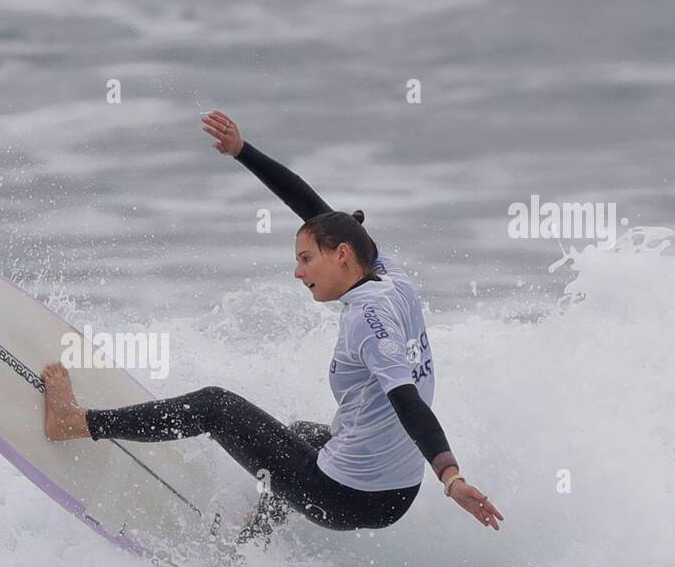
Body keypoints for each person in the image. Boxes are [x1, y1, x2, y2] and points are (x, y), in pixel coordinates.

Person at [39, 110, 503, 536]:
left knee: (214, 406)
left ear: (342, 255)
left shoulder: (368, 317)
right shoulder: (386, 274)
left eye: (305, 259)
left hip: (347, 499)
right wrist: (243, 152)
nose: (298, 273)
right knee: (302, 434)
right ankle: (254, 538)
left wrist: (452, 477)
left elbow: (407, 402)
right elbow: (313, 207)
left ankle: (75, 423)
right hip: (397, 493)